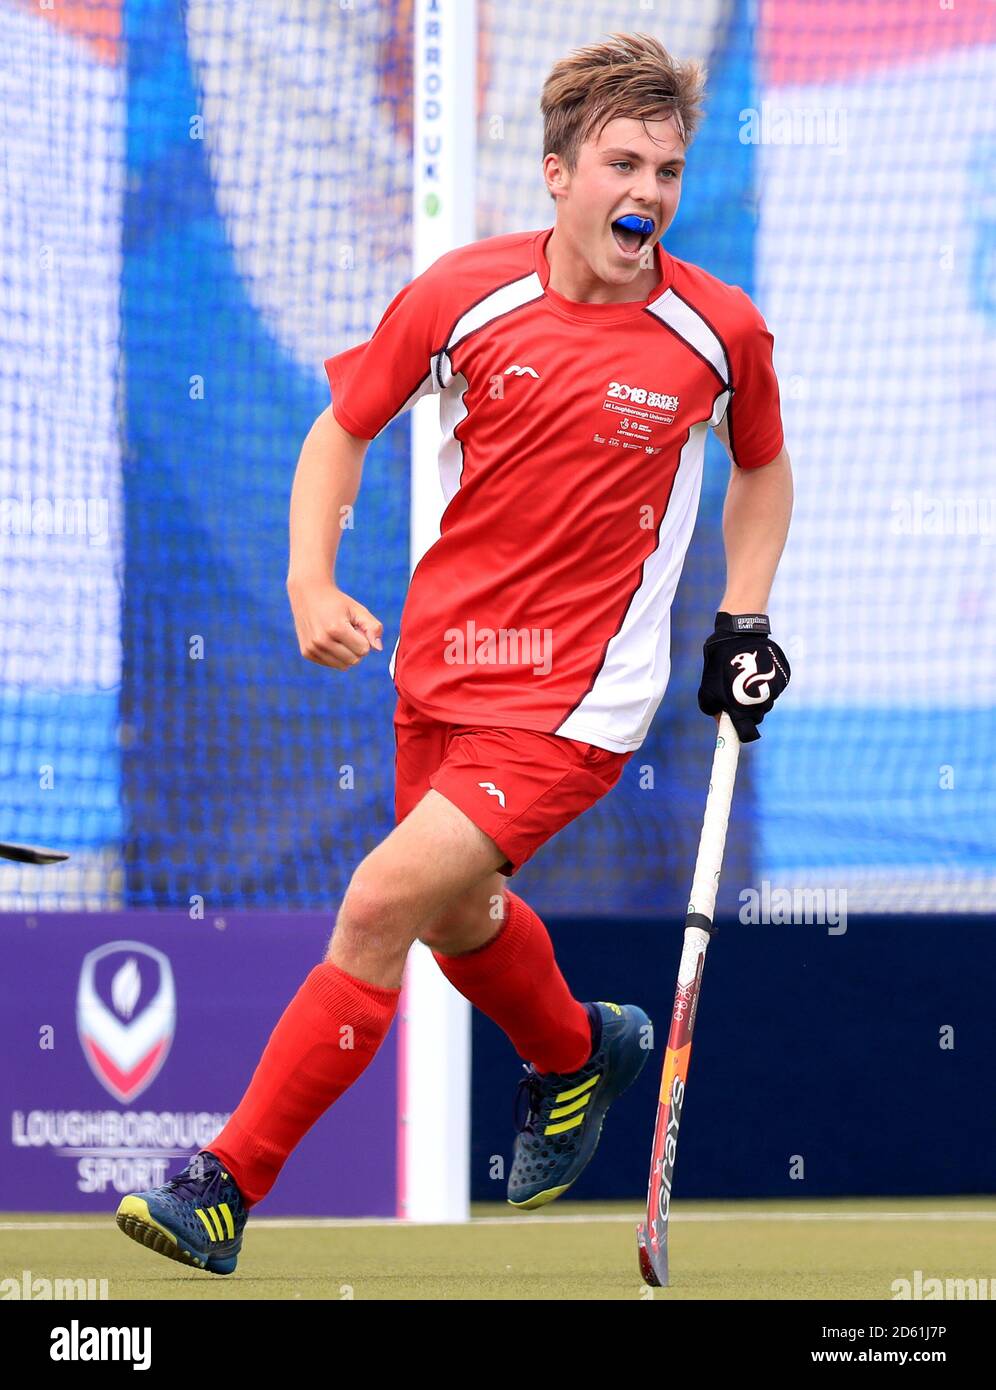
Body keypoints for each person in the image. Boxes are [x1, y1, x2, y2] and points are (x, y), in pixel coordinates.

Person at [116, 31, 791, 1276]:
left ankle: (222, 1183)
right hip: (439, 677)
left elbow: (761, 468)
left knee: (378, 900)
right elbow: (341, 429)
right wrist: (309, 578)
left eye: (669, 171)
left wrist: (743, 621)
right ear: (555, 171)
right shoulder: (463, 296)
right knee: (460, 912)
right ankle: (577, 1048)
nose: (647, 193)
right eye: (622, 163)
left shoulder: (716, 332)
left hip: (579, 704)